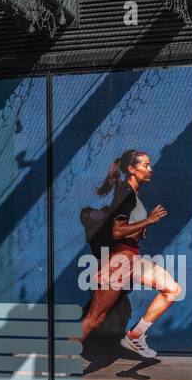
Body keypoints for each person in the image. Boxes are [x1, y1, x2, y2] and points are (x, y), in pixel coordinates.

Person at [78, 149, 182, 358]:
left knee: (173, 290)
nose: (150, 169)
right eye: (145, 165)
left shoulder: (133, 192)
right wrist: (149, 221)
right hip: (119, 260)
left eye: (149, 165)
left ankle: (135, 336)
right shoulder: (125, 193)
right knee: (94, 318)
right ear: (131, 169)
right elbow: (117, 231)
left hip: (132, 257)